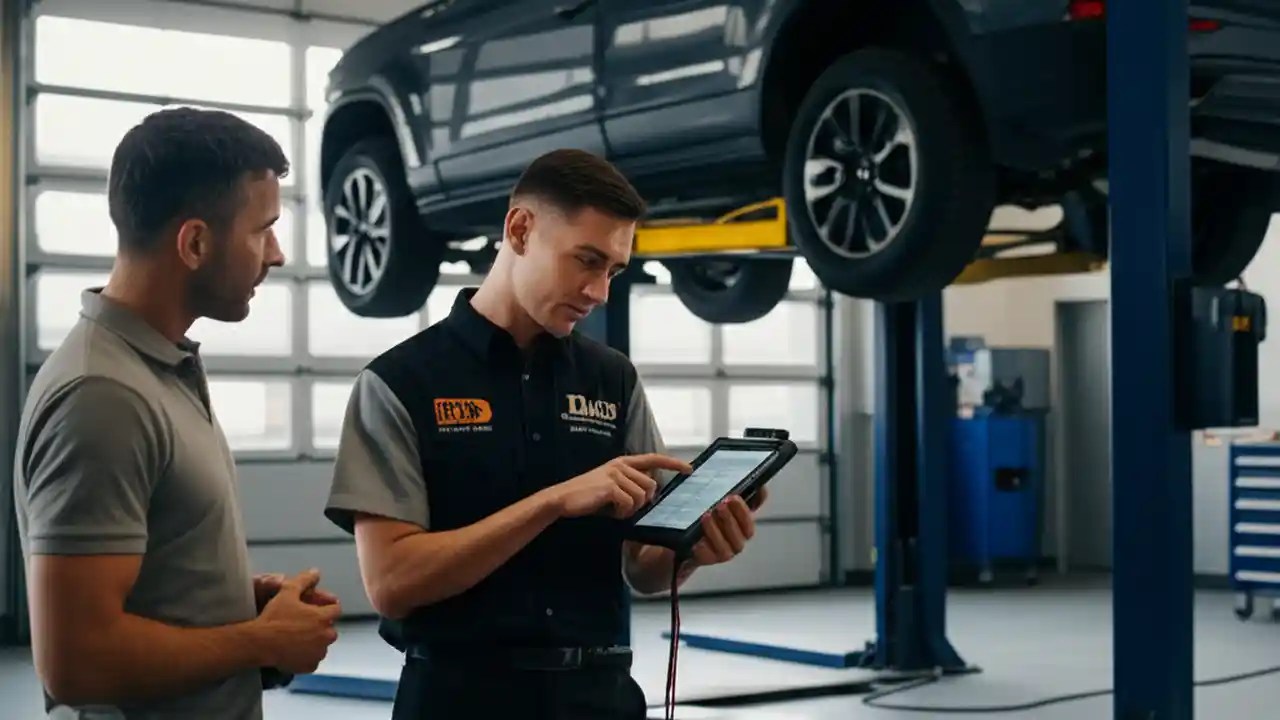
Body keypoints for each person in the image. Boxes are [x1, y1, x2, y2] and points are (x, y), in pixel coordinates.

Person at [323, 148, 769, 720]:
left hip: (600, 700)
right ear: (520, 230)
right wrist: (553, 502)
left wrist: (694, 551)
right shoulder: (399, 384)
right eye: (586, 260)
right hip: (460, 701)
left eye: (613, 271)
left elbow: (643, 566)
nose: (599, 291)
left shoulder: (613, 380)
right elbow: (392, 582)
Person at [12, 107, 342, 720]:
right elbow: (76, 660)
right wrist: (261, 641)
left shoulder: (156, 369)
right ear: (194, 243)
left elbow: (141, 588)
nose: (276, 254)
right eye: (262, 230)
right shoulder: (103, 396)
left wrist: (234, 606)